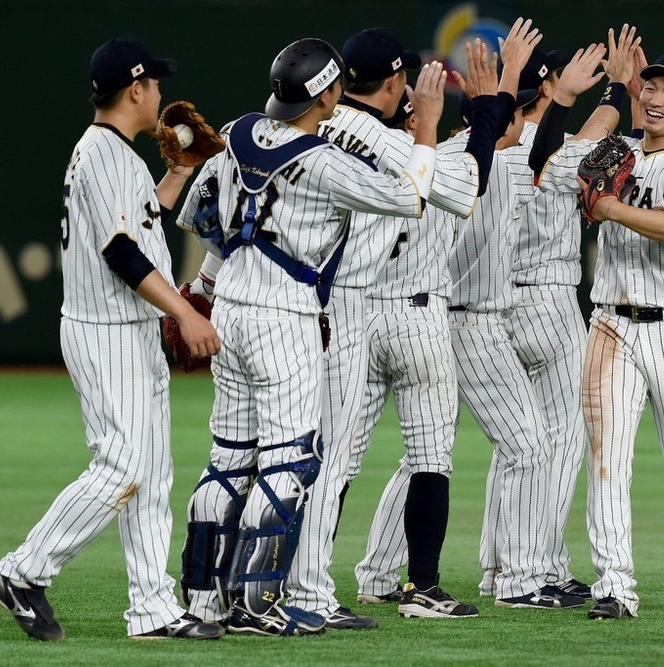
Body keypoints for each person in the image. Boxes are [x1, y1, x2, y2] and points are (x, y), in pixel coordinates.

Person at [174, 37, 446, 636]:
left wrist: (202, 287)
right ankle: (257, 603)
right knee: (288, 459)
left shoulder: (236, 131)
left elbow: (199, 217)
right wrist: (425, 130)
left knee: (227, 460)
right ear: (325, 92)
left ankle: (202, 603)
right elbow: (409, 196)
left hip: (232, 309)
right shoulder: (321, 158)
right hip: (285, 314)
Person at [0, 36, 224, 641]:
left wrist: (172, 178)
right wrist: (187, 314)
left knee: (153, 470)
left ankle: (153, 610)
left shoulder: (117, 155)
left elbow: (138, 222)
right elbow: (120, 251)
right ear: (136, 89)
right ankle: (22, 570)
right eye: (157, 84)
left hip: (130, 328)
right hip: (106, 330)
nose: (163, 95)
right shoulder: (102, 153)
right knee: (122, 467)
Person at [276, 26, 507, 630]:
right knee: (428, 454)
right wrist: (480, 110)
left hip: (324, 310)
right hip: (397, 311)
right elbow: (463, 186)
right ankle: (419, 586)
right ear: (402, 82)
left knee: (329, 460)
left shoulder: (306, 130)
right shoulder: (392, 140)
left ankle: (297, 578)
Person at [351, 66, 589, 611]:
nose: (524, 122)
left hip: (418, 314)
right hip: (470, 323)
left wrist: (501, 94)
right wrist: (566, 95)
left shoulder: (437, 159)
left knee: (421, 459)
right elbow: (549, 148)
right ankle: (520, 581)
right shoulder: (497, 164)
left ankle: (377, 573)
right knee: (528, 446)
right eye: (519, 113)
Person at [531, 27, 664, 619]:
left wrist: (608, 206)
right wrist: (596, 104)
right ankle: (614, 587)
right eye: (650, 85)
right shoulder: (615, 149)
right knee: (606, 461)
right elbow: (551, 168)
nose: (657, 97)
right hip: (611, 324)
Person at [487, 43, 592, 600]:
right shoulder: (557, 146)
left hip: (498, 302)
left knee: (515, 446)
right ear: (548, 85)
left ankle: (498, 566)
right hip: (549, 302)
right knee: (558, 441)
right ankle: (541, 565)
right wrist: (616, 90)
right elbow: (594, 133)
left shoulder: (491, 144)